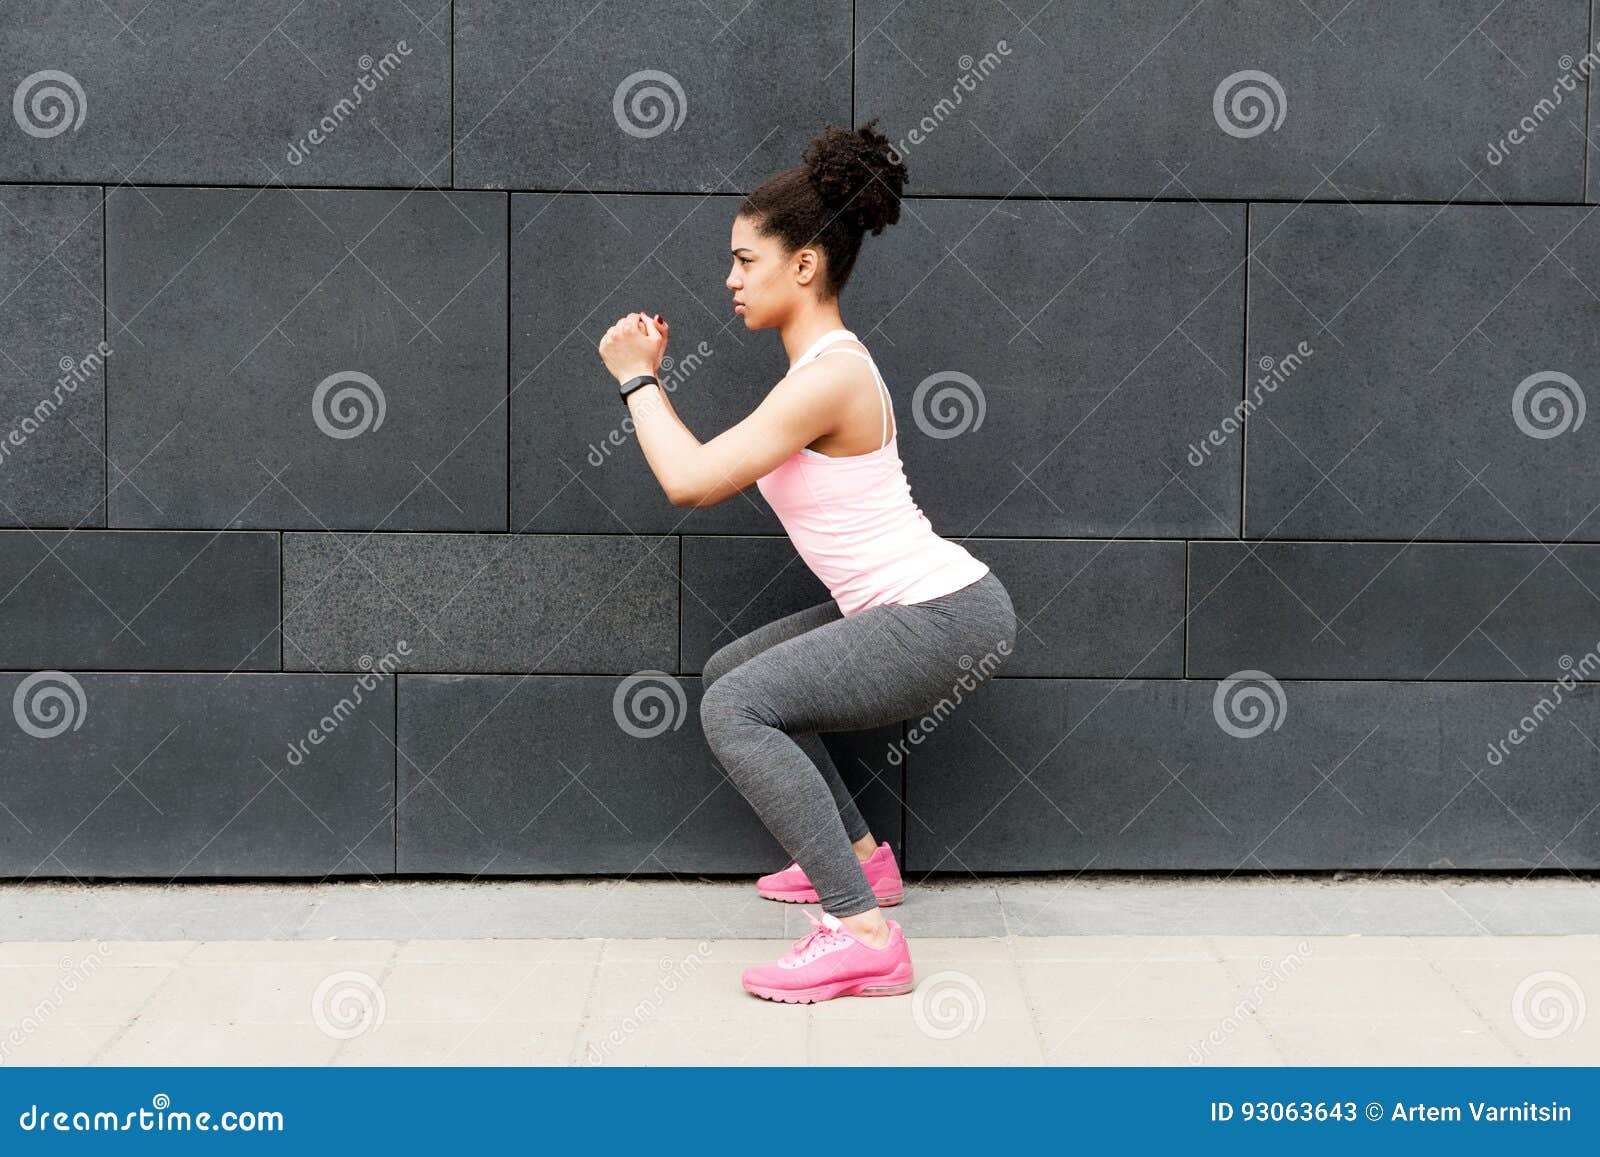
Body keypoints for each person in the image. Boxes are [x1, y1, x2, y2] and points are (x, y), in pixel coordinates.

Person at [595, 119, 1016, 1003]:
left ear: (805, 266)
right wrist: (650, 383)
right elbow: (703, 467)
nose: (729, 280)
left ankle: (861, 931)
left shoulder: (829, 375)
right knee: (735, 670)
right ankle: (864, 861)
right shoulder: (812, 373)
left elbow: (690, 479)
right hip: (910, 609)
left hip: (942, 614)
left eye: (745, 260)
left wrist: (637, 378)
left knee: (737, 707)